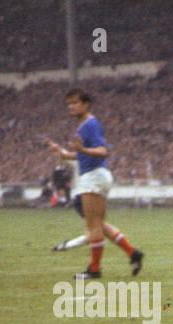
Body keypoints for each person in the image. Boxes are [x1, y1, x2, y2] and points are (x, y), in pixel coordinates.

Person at [44, 89, 144, 278]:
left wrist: (82, 149)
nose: (71, 107)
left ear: (86, 104)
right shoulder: (84, 126)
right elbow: (83, 154)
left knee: (94, 227)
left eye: (75, 103)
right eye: (69, 104)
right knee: (98, 225)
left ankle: (94, 269)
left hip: (93, 177)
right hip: (96, 176)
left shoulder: (90, 125)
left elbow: (102, 151)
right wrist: (63, 153)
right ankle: (132, 253)